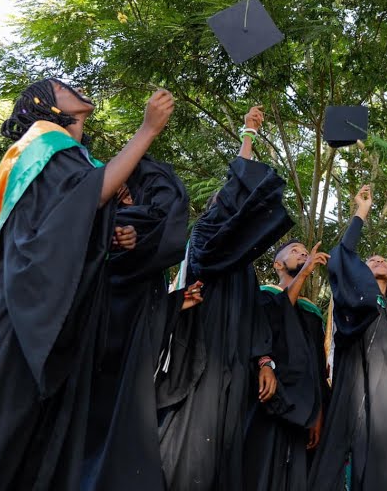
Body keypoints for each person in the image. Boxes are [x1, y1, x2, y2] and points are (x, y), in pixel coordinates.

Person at [0, 79, 175, 490]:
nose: (75, 87)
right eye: (62, 86)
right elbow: (90, 195)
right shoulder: (43, 145)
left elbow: (61, 224)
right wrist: (148, 130)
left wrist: (110, 234)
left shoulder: (64, 154)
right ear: (47, 105)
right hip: (25, 313)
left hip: (39, 311)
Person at [156, 105, 295, 490]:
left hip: (236, 366)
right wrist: (247, 137)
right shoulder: (204, 238)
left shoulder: (245, 268)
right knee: (186, 447)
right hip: (199, 354)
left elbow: (256, 319)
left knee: (226, 451)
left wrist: (265, 362)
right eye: (231, 201)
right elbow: (234, 198)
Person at [81, 153, 200, 491]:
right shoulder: (103, 221)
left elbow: (143, 312)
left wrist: (174, 303)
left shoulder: (152, 259)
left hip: (129, 373)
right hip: (96, 354)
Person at [308, 185, 387, 490]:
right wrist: (361, 212)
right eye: (371, 259)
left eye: (384, 260)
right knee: (347, 452)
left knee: (382, 460)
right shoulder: (357, 300)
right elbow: (344, 256)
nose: (378, 261)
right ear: (360, 272)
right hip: (356, 382)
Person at [242, 234, 330, 491]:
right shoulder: (263, 297)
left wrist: (318, 413)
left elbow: (316, 367)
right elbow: (269, 330)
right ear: (277, 265)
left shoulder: (312, 313)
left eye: (305, 252)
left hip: (303, 409)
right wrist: (303, 274)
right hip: (265, 399)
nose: (303, 254)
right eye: (295, 250)